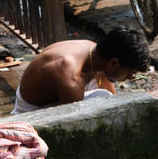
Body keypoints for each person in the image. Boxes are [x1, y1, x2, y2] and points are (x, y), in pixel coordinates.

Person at [12, 26, 149, 114]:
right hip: (29, 113)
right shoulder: (72, 78)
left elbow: (109, 89)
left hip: (52, 91)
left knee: (107, 96)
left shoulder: (94, 51)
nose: (130, 78)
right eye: (130, 73)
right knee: (101, 102)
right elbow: (76, 124)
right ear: (113, 63)